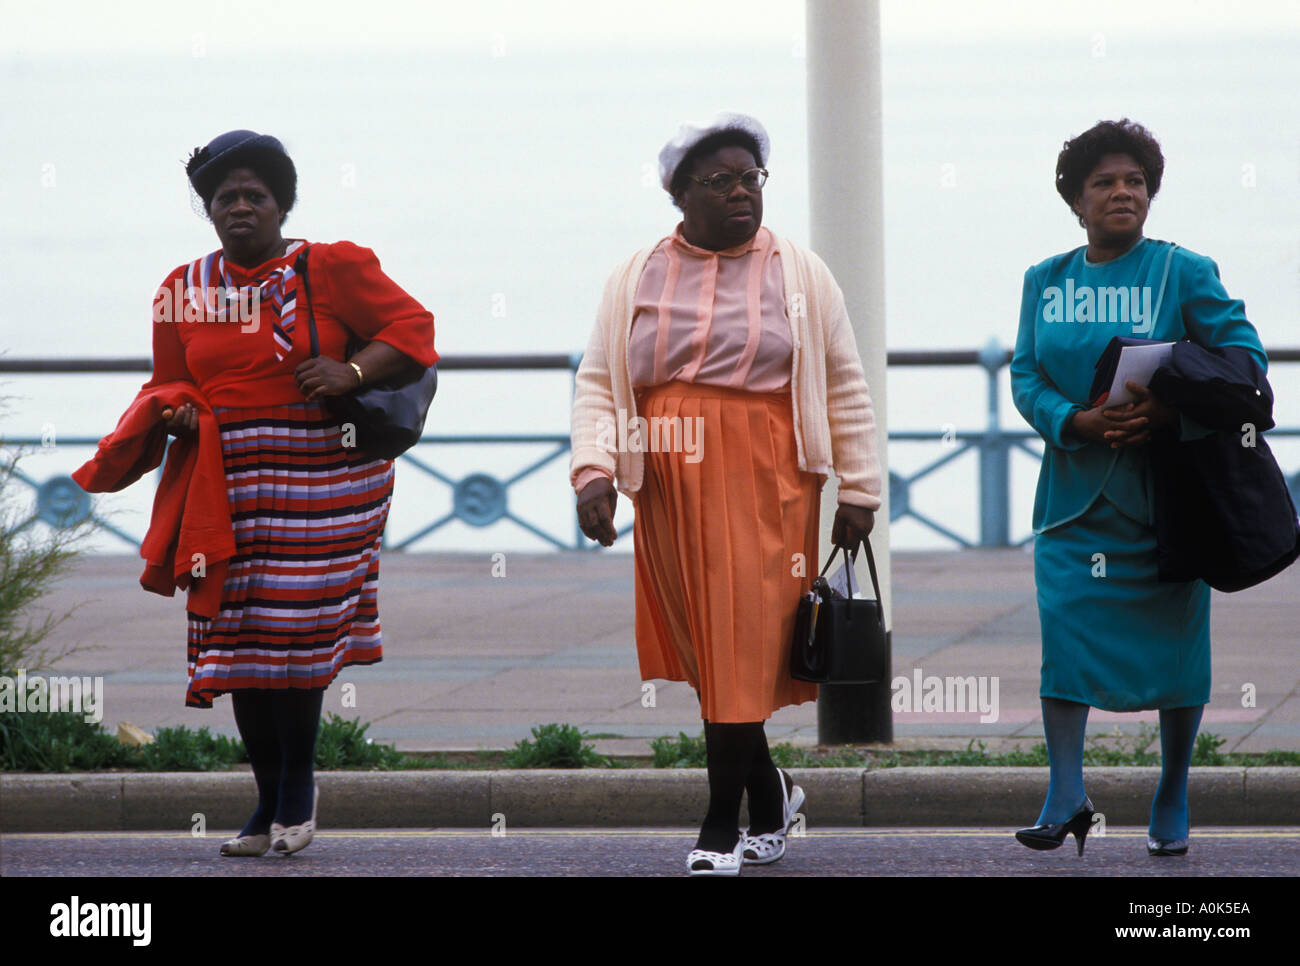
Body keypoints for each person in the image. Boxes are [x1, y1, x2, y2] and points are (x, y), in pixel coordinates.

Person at [82, 130, 436, 857]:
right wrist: (176, 408)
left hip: (327, 480)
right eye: (224, 198)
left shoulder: (329, 266)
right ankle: (267, 800)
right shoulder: (183, 289)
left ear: (280, 205)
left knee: (296, 636)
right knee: (239, 635)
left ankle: (298, 788)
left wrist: (354, 373)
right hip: (227, 482)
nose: (239, 207)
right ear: (209, 211)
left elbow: (413, 330)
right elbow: (167, 378)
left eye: (255, 195)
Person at [570, 113, 882, 875]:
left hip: (768, 474)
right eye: (720, 181)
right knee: (714, 651)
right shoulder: (636, 274)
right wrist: (594, 473)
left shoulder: (801, 273)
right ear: (680, 195)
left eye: (752, 178)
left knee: (742, 642)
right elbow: (601, 382)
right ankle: (772, 795)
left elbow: (844, 380)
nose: (742, 192)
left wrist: (861, 487)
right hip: (666, 479)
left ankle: (720, 823)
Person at [1010, 119, 1266, 857]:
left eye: (1134, 181)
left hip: (1167, 503)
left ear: (1150, 193)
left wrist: (1168, 410)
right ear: (1076, 200)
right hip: (1071, 503)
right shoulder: (1045, 281)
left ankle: (1174, 787)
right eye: (1104, 182)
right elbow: (1025, 375)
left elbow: (1244, 363)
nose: (1122, 192)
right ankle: (1065, 791)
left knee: (1178, 657)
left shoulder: (1183, 271)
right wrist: (1075, 421)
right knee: (1064, 644)